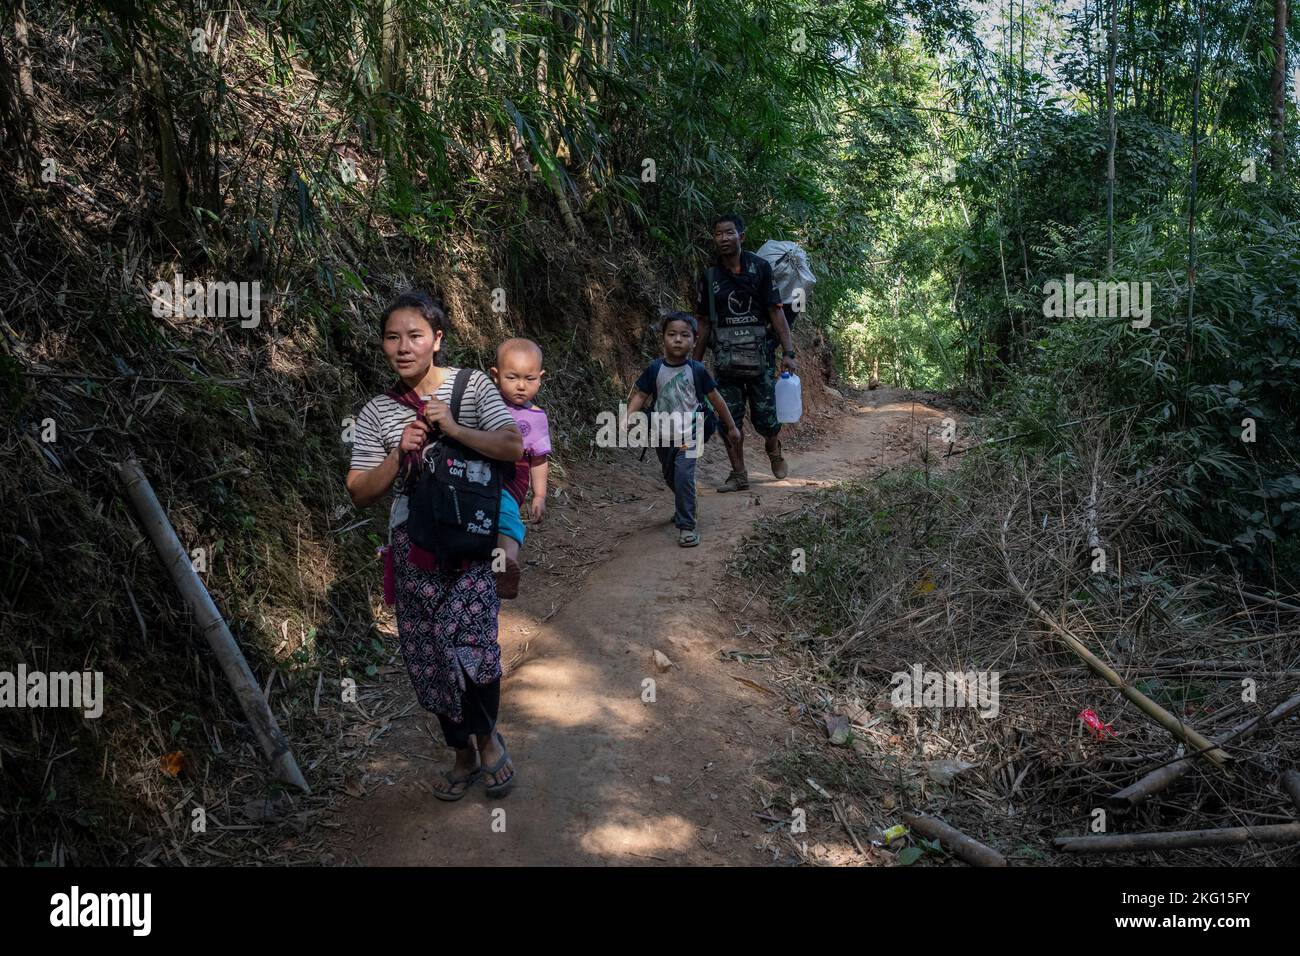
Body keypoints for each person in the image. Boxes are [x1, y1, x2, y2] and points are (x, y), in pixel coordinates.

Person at [346, 291, 523, 800]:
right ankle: (461, 752)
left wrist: (455, 428)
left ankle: (488, 741)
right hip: (414, 547)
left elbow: (513, 445)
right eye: (393, 337)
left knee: (474, 649)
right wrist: (397, 455)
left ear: (437, 340)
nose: (403, 347)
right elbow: (358, 491)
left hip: (471, 543)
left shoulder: (472, 387)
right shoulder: (378, 411)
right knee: (428, 657)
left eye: (415, 336)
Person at [693, 213, 797, 492]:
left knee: (767, 418)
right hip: (725, 363)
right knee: (728, 419)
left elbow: (776, 311)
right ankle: (739, 473)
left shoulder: (760, 269)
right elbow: (702, 323)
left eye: (729, 233)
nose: (724, 238)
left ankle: (773, 449)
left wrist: (789, 352)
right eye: (718, 234)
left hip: (759, 357)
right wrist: (693, 366)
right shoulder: (710, 277)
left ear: (742, 236)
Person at [627, 312, 741, 546]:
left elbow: (716, 398)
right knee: (670, 475)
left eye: (684, 335)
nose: (678, 339)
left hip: (691, 433)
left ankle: (687, 526)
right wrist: (628, 417)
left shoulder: (697, 370)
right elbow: (641, 394)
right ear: (663, 338)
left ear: (694, 340)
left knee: (684, 474)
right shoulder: (655, 368)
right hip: (662, 433)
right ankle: (685, 503)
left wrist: (731, 426)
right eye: (672, 334)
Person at [488, 337, 551, 598]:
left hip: (513, 475)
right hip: (481, 467)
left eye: (530, 378)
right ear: (495, 375)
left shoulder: (537, 418)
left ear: (540, 378)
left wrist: (539, 495)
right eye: (512, 377)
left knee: (504, 514)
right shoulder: (485, 403)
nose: (521, 386)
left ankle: (505, 565)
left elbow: (538, 459)